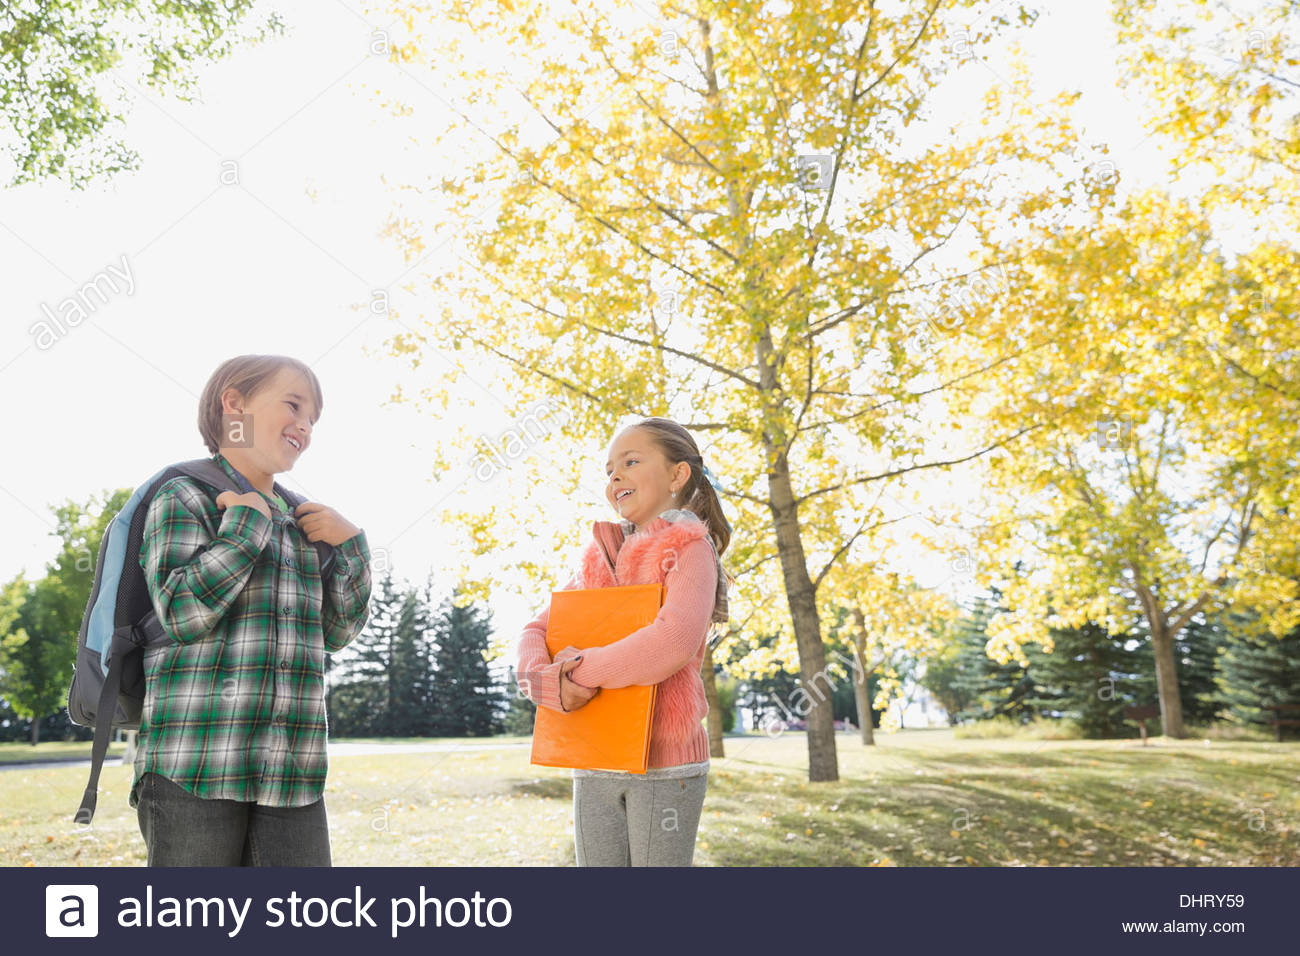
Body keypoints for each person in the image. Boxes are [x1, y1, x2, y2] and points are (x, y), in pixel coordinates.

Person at [131, 354, 372, 866]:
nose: (305, 425)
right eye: (293, 404)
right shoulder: (185, 494)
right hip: (194, 767)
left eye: (313, 418)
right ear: (234, 404)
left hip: (293, 777)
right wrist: (244, 528)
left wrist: (351, 549)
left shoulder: (303, 523)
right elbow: (182, 614)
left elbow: (335, 632)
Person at [516, 416, 732, 866]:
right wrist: (543, 682)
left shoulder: (691, 548)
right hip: (595, 757)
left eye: (631, 461)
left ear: (677, 474)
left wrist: (579, 672)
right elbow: (537, 630)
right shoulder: (598, 557)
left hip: (665, 767)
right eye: (609, 469)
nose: (615, 476)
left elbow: (672, 641)